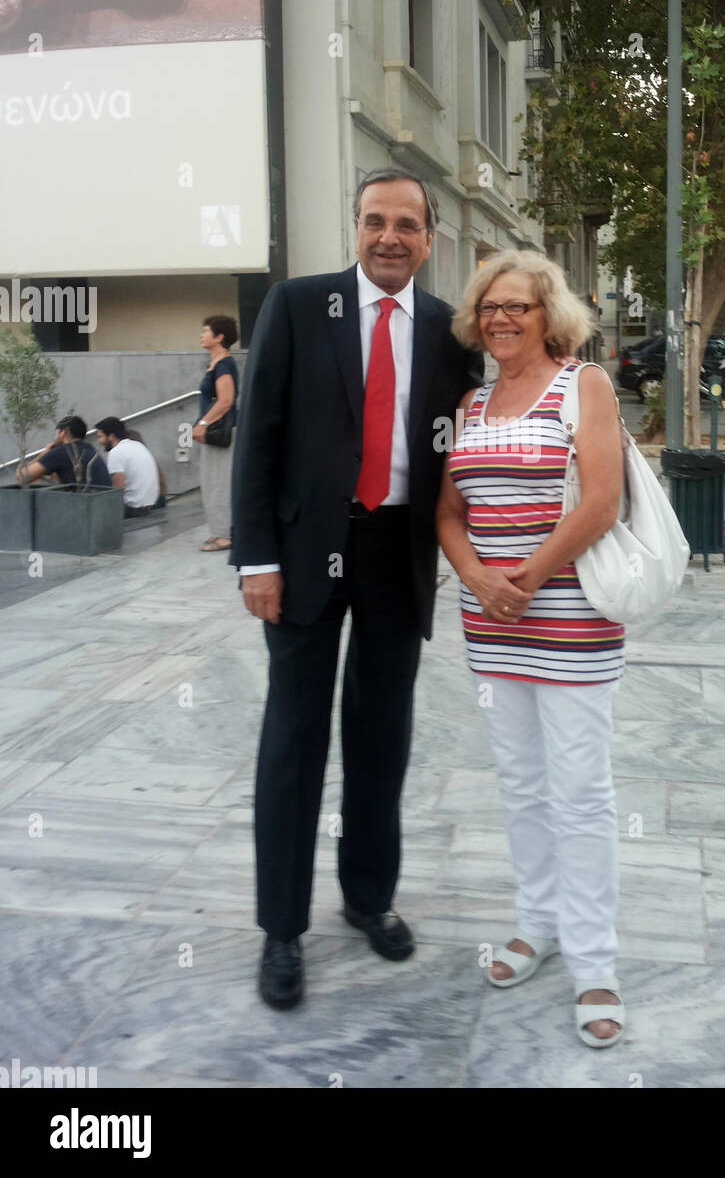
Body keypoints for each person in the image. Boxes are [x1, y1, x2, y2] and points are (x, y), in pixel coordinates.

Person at [231, 168, 481, 1010]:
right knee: (293, 739)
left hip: (396, 552)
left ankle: (369, 897)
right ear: (356, 226)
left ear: (429, 238)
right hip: (304, 553)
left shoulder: (453, 331)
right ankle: (281, 930)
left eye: (406, 224)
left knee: (382, 738)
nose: (389, 237)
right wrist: (255, 558)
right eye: (375, 220)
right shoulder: (299, 307)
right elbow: (259, 433)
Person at [436, 249, 628, 1049]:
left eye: (518, 306)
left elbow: (602, 501)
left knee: (580, 791)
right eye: (490, 306)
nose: (502, 318)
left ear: (551, 315)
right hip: (492, 624)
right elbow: (448, 511)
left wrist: (526, 578)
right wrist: (480, 579)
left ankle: (594, 964)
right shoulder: (473, 402)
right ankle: (536, 922)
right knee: (521, 785)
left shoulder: (582, 385)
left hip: (571, 620)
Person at [193, 314, 239, 552]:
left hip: (222, 432)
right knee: (212, 482)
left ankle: (225, 535)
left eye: (206, 331)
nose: (201, 335)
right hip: (215, 432)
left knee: (220, 482)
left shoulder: (224, 365)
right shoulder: (216, 364)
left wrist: (202, 423)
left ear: (219, 337)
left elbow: (226, 401)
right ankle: (219, 531)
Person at [17, 415, 111, 488]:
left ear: (63, 433)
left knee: (34, 479)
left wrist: (43, 454)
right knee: (50, 474)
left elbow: (21, 477)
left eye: (56, 433)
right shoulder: (91, 450)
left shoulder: (62, 451)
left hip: (79, 506)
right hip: (101, 503)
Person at [94, 417, 160, 516]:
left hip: (132, 509)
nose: (99, 442)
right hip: (150, 504)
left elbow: (117, 491)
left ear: (111, 436)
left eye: (100, 436)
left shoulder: (116, 452)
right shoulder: (138, 445)